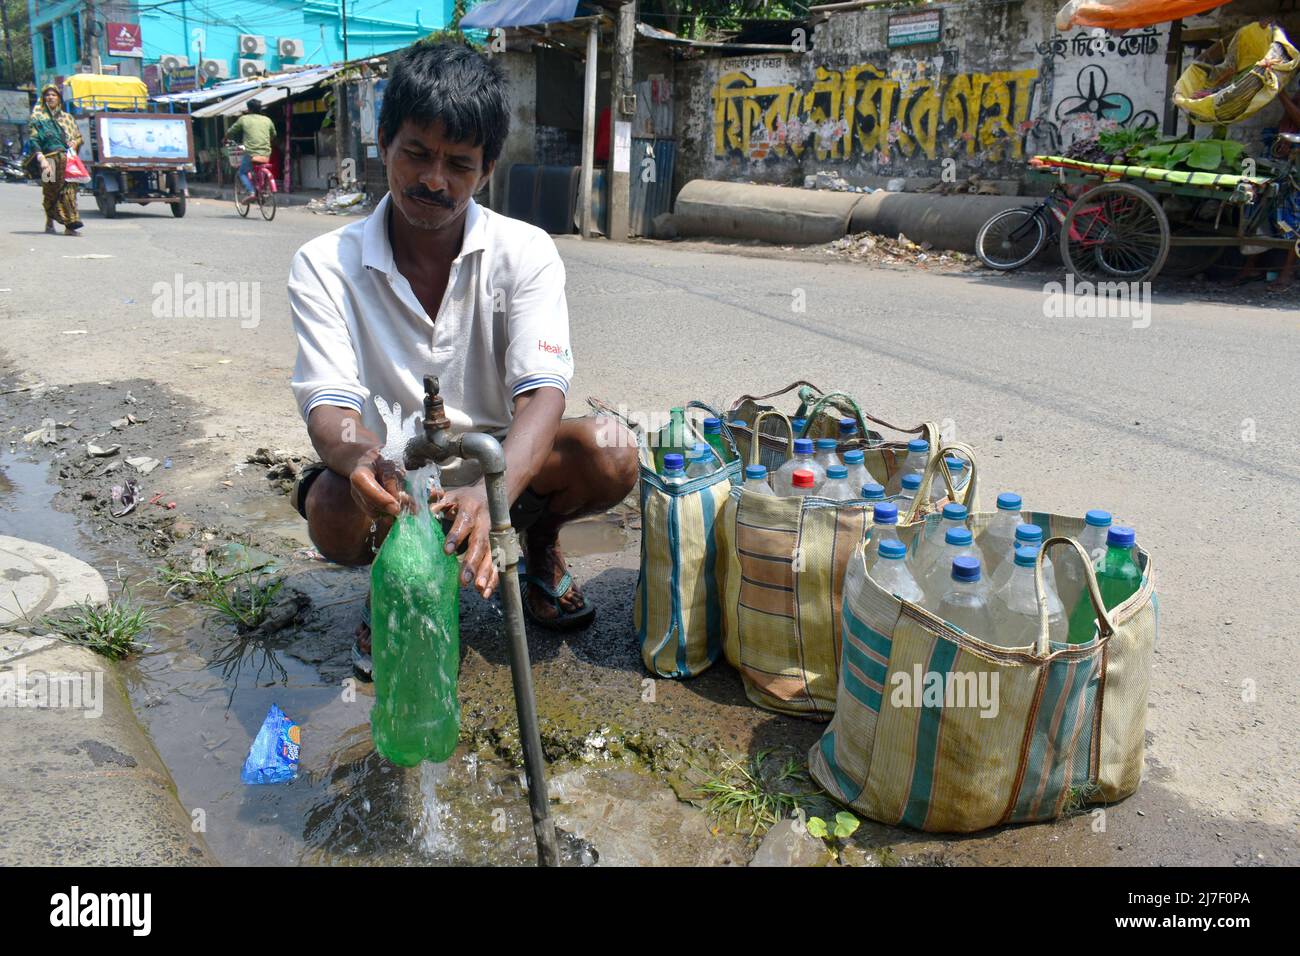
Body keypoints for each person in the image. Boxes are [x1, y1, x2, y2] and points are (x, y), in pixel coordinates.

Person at [288, 42, 638, 679]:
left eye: (459, 163)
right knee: (332, 511)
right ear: (384, 142)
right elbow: (330, 405)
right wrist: (363, 461)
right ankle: (395, 579)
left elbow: (543, 394)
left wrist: (488, 489)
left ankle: (539, 543)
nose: (433, 181)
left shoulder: (525, 252)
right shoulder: (322, 265)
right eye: (417, 153)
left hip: (501, 467)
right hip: (396, 475)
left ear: (487, 169)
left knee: (612, 448)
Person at [27, 85, 83, 235]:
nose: (50, 97)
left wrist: (75, 142)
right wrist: (41, 158)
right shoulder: (37, 118)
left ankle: (70, 226)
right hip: (48, 160)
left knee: (69, 191)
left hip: (67, 160)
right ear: (44, 99)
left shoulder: (67, 118)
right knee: (49, 192)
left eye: (54, 95)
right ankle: (49, 221)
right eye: (47, 95)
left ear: (59, 98)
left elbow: (78, 137)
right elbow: (34, 140)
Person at [225, 99, 277, 205]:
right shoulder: (267, 120)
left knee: (242, 172)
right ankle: (262, 188)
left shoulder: (244, 119)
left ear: (248, 109)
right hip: (266, 153)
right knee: (259, 169)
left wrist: (225, 138)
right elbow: (274, 134)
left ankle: (251, 192)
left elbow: (231, 131)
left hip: (251, 153)